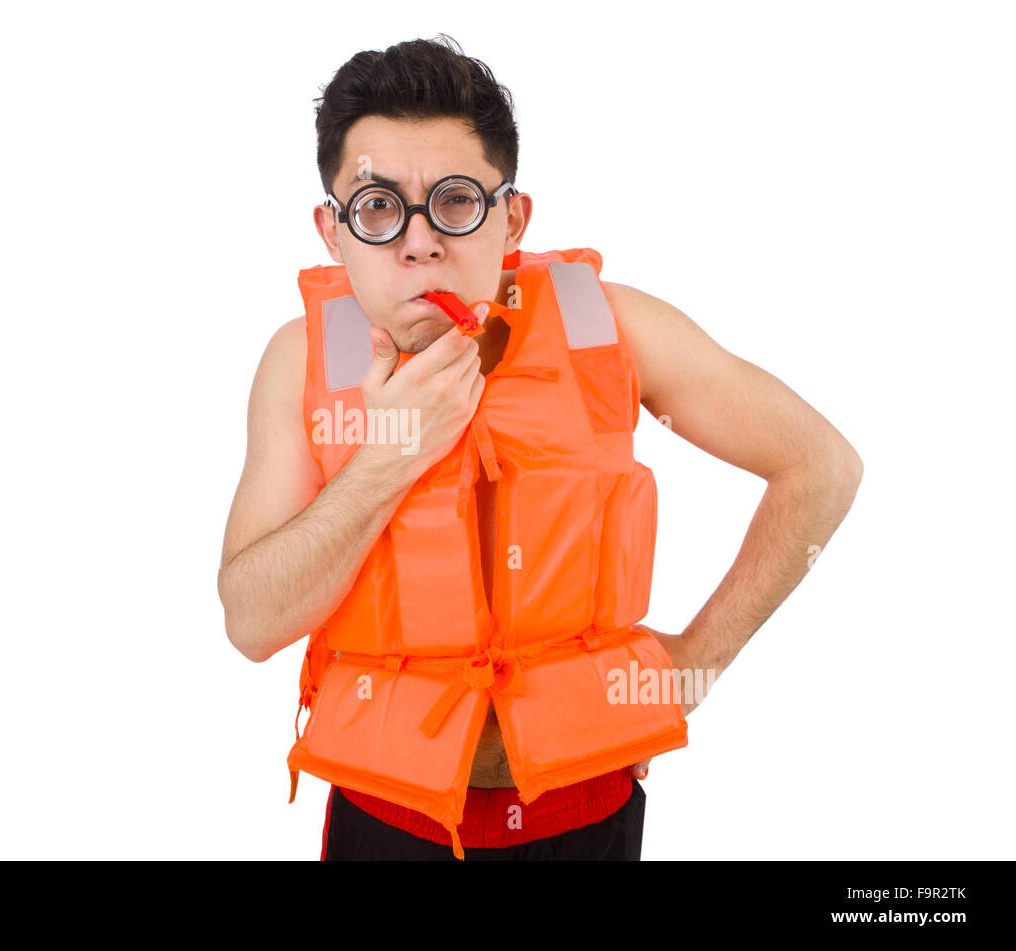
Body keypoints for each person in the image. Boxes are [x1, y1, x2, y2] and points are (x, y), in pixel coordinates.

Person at [217, 35, 862, 860]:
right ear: (332, 231)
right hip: (387, 819)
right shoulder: (301, 361)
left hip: (583, 813)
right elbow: (250, 621)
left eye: (455, 202)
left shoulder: (612, 325)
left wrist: (694, 666)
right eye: (378, 206)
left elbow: (821, 465)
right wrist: (388, 459)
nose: (420, 244)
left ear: (512, 217)